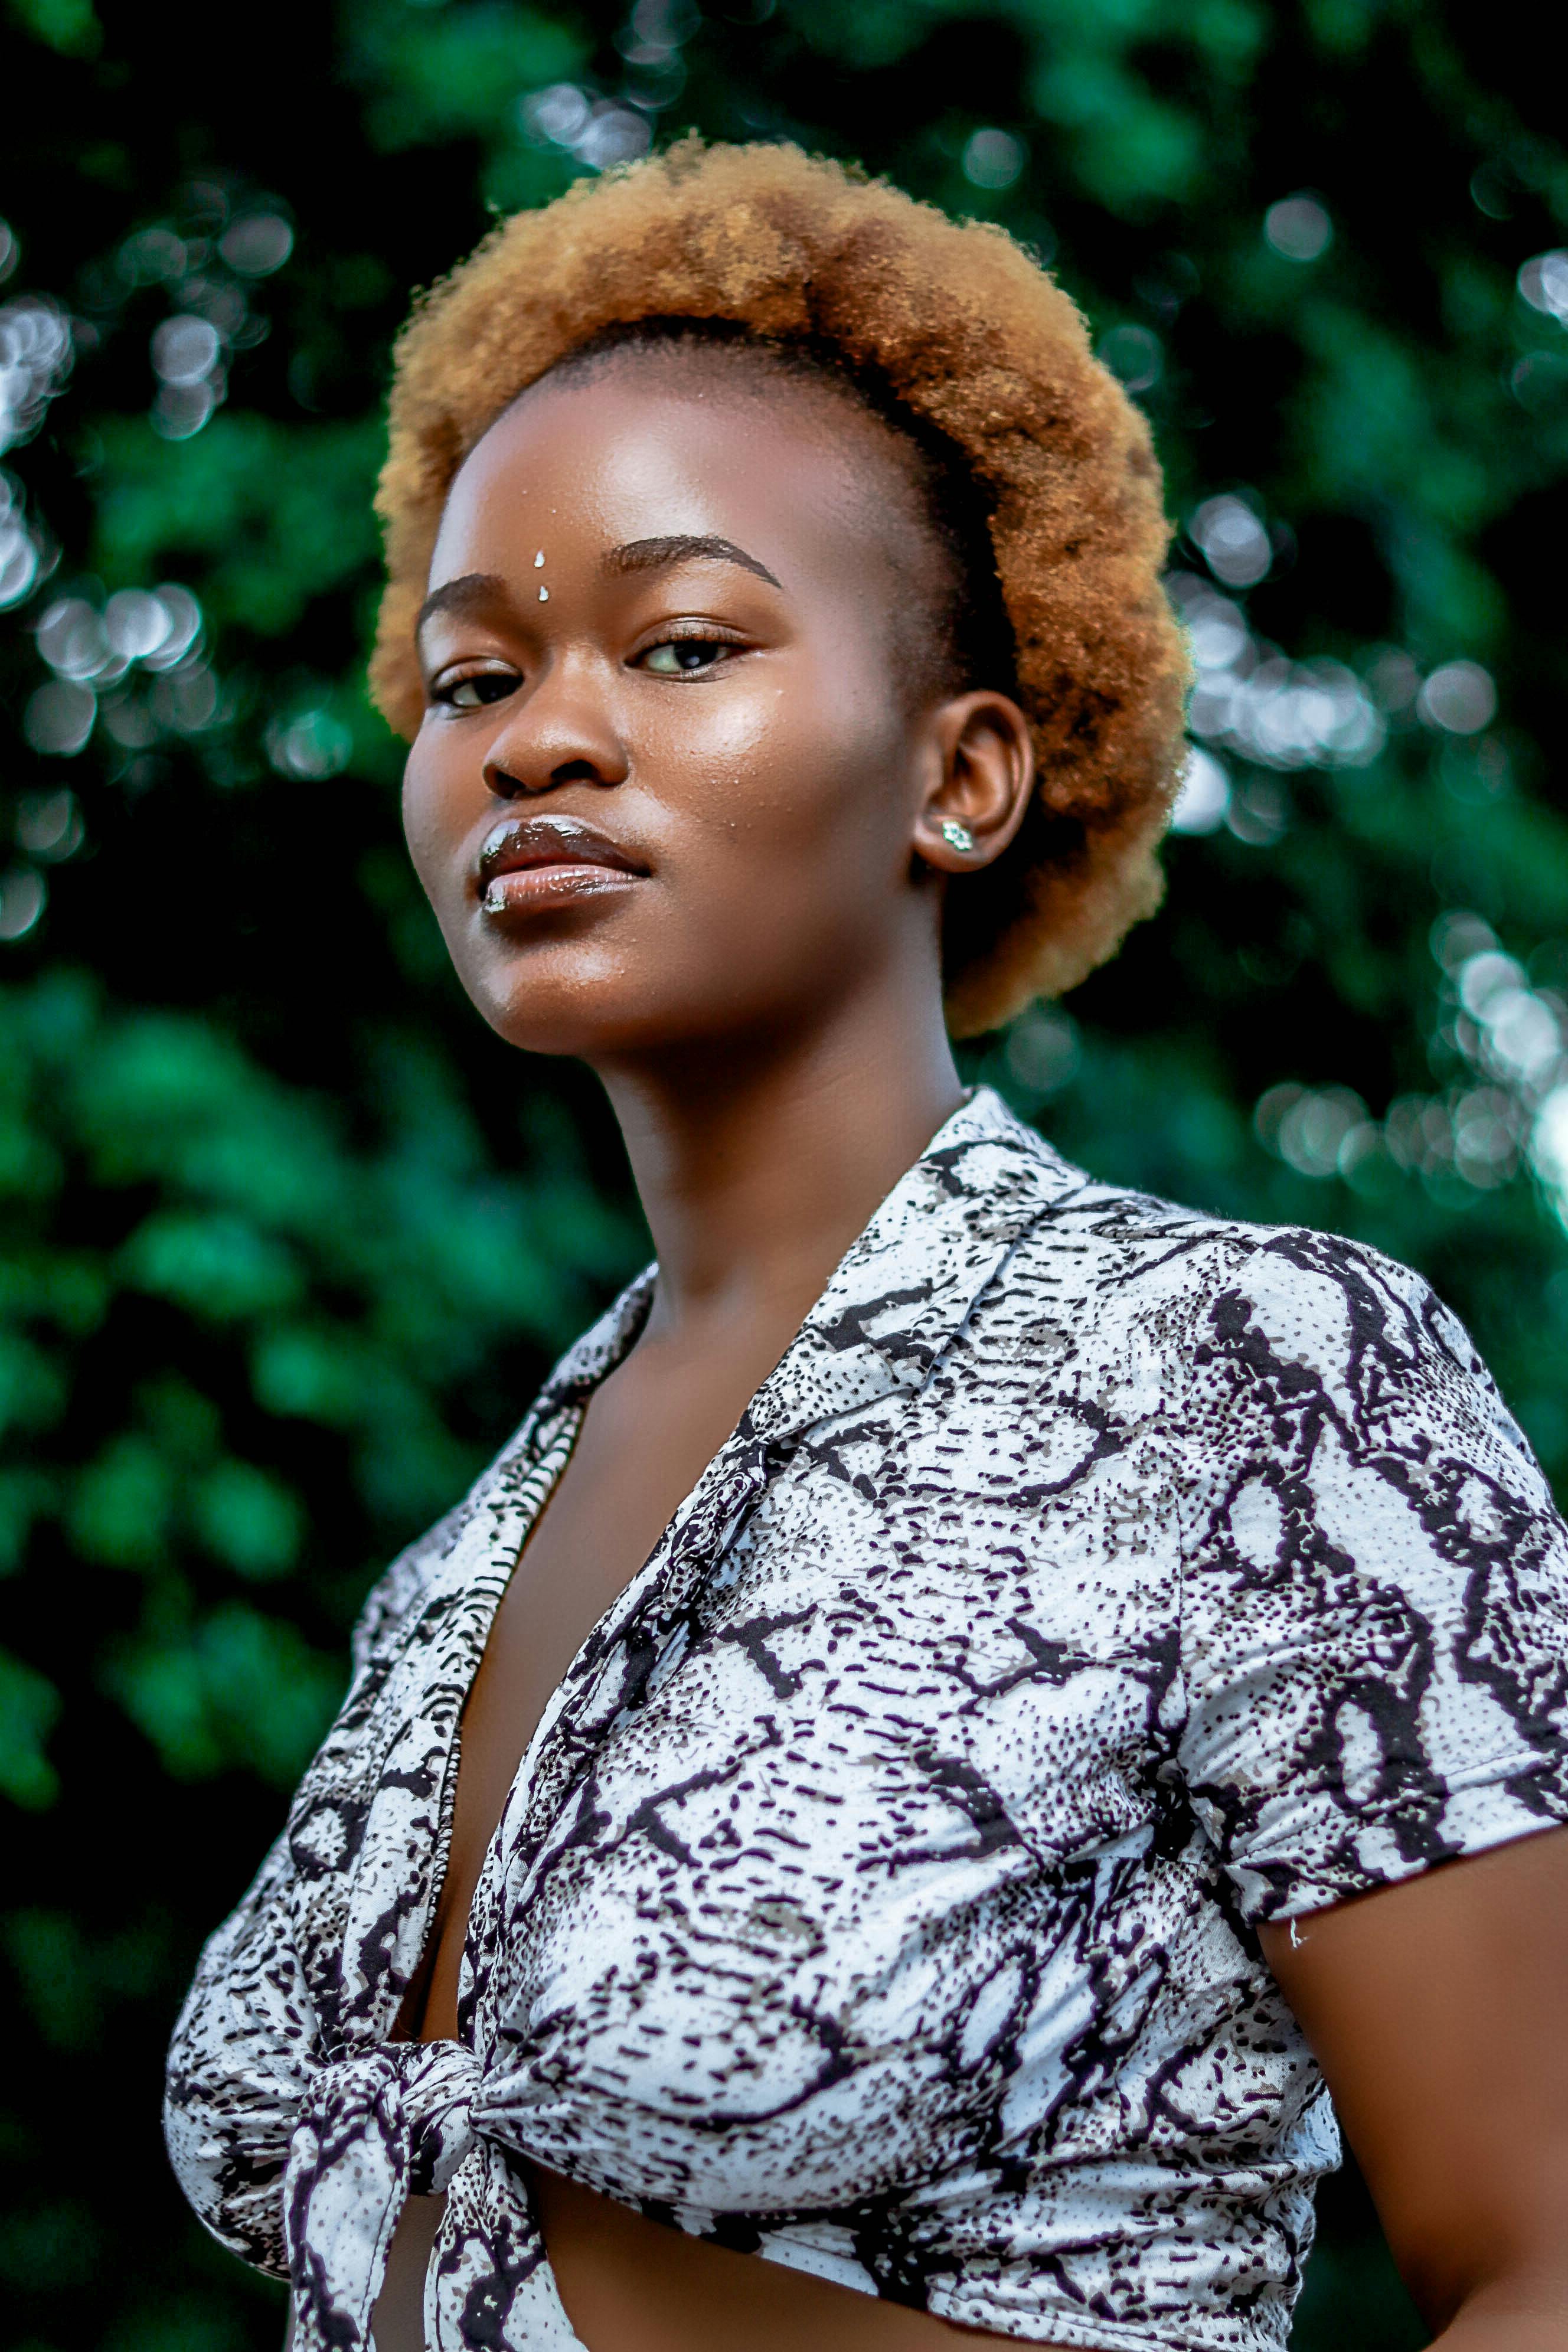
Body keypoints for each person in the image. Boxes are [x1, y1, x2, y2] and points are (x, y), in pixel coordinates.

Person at [164, 142, 1568, 2352]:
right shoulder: (456, 1567)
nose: (538, 733)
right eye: (465, 681)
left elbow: (1546, 2259)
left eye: (684, 642)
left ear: (965, 777)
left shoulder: (1241, 1379)